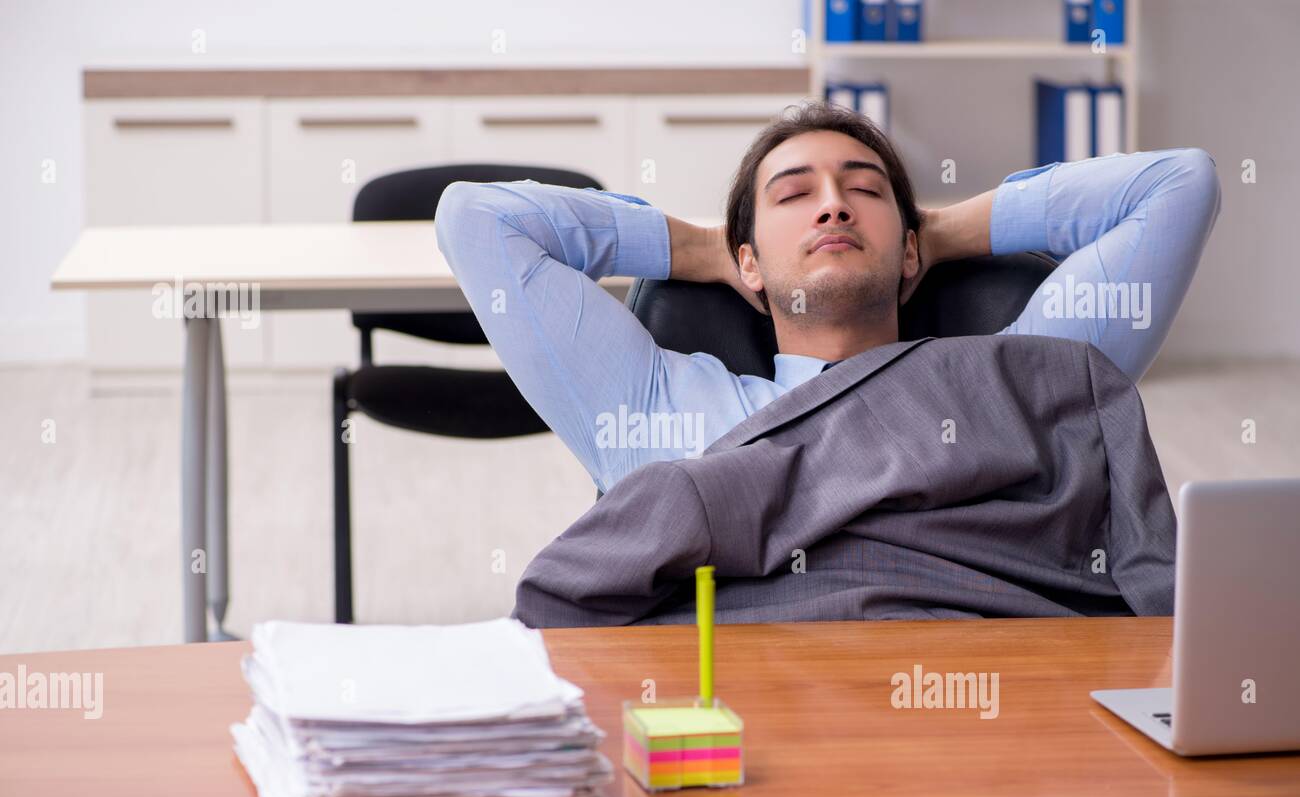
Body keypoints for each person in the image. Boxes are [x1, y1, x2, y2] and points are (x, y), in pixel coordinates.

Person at [435, 100, 1221, 496]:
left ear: (908, 244)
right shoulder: (660, 408)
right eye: (793, 195)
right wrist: (703, 248)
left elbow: (1180, 186)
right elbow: (478, 219)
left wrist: (939, 229)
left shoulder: (1016, 375)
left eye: (864, 190)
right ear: (748, 262)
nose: (834, 206)